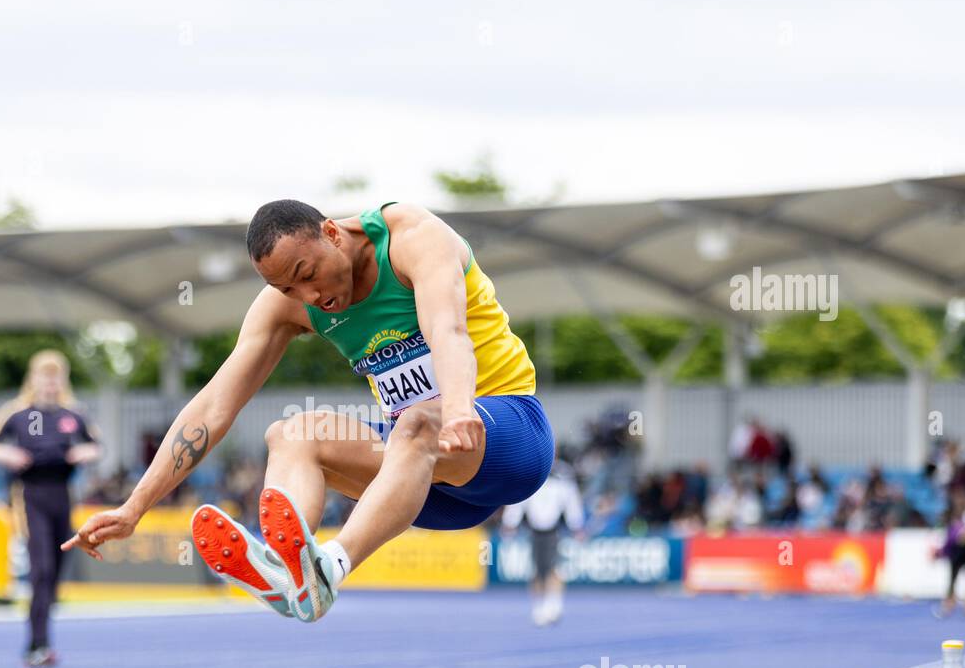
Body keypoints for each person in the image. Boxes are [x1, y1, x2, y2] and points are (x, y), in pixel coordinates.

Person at [64, 200, 553, 622]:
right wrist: (135, 506)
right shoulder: (290, 304)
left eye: (307, 275)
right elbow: (213, 405)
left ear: (333, 234)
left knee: (419, 418)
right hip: (423, 483)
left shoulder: (411, 238)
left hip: (505, 438)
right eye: (289, 292)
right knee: (291, 433)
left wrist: (461, 407)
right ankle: (290, 570)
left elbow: (448, 331)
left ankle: (331, 567)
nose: (310, 298)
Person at [0, 351, 101, 665]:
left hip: (61, 494)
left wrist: (84, 454)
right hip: (30, 494)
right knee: (42, 570)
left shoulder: (73, 414)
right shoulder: (16, 413)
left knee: (55, 575)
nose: (50, 383)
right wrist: (7, 455)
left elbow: (95, 444)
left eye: (55, 377)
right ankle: (36, 644)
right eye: (44, 376)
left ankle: (43, 638)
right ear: (33, 379)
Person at [501, 458, 584, 625]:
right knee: (538, 570)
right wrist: (510, 522)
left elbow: (571, 499)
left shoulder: (562, 474)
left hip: (553, 530)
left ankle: (554, 604)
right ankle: (539, 606)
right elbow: (519, 499)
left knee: (554, 567)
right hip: (535, 530)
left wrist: (576, 524)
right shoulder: (532, 471)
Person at [933, 491, 965, 618]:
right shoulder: (957, 521)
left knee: (959, 575)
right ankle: (957, 604)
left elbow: (958, 538)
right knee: (962, 574)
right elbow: (952, 539)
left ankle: (958, 604)